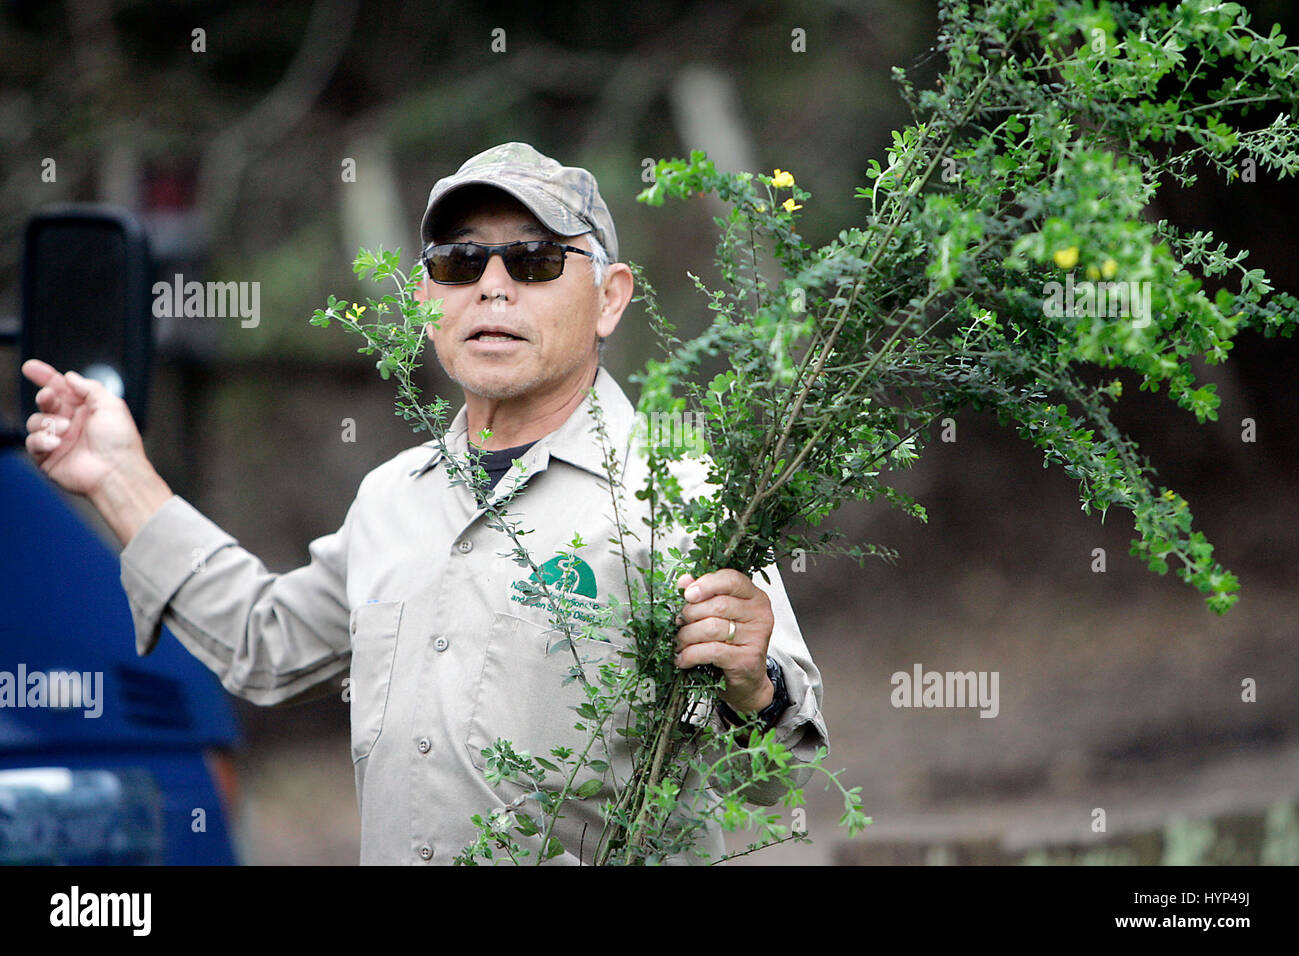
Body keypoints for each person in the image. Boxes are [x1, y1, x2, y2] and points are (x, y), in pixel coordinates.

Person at [21, 142, 828, 865]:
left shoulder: (679, 490)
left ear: (611, 297)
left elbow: (768, 777)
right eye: (460, 261)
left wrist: (754, 688)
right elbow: (264, 641)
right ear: (424, 297)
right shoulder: (390, 499)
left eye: (537, 260)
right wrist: (119, 476)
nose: (494, 288)